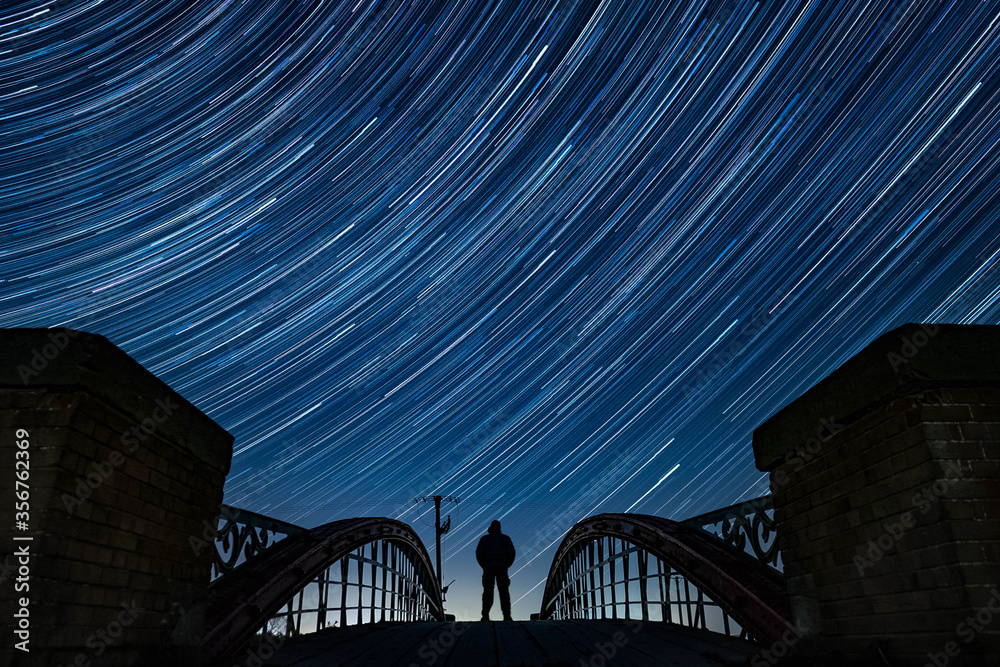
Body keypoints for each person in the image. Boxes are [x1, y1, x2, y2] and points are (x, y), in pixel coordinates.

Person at [475, 519, 515, 621]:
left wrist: (484, 565)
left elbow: (479, 553)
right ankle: (507, 615)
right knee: (504, 592)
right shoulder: (505, 538)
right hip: (502, 567)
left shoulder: (484, 539)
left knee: (488, 592)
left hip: (488, 568)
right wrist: (507, 564)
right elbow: (511, 552)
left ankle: (485, 615)